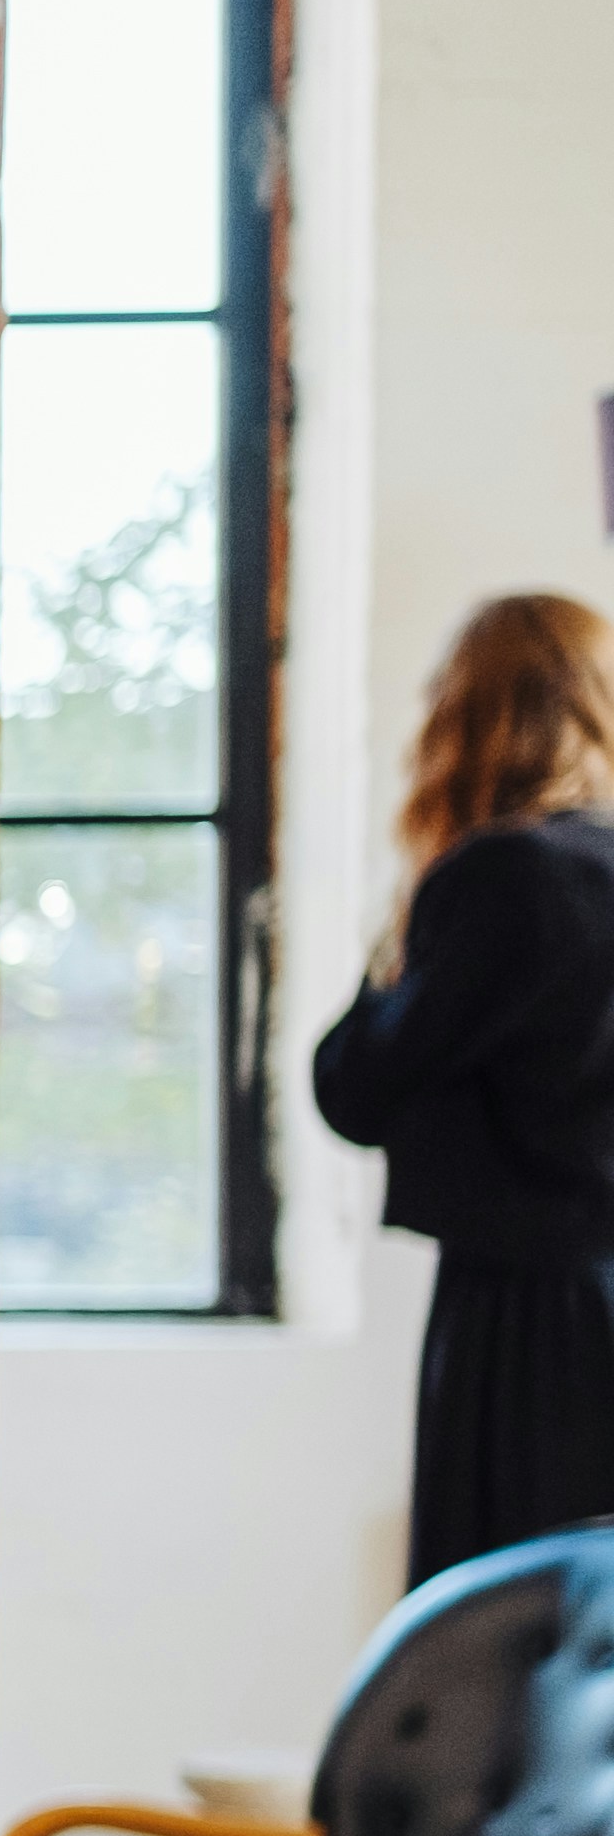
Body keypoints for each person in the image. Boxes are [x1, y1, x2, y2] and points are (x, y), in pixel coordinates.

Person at [315, 588, 614, 1581]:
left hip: (533, 1321)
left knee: (509, 1632)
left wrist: (391, 952)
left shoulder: (501, 879)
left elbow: (355, 1085)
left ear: (468, 721)